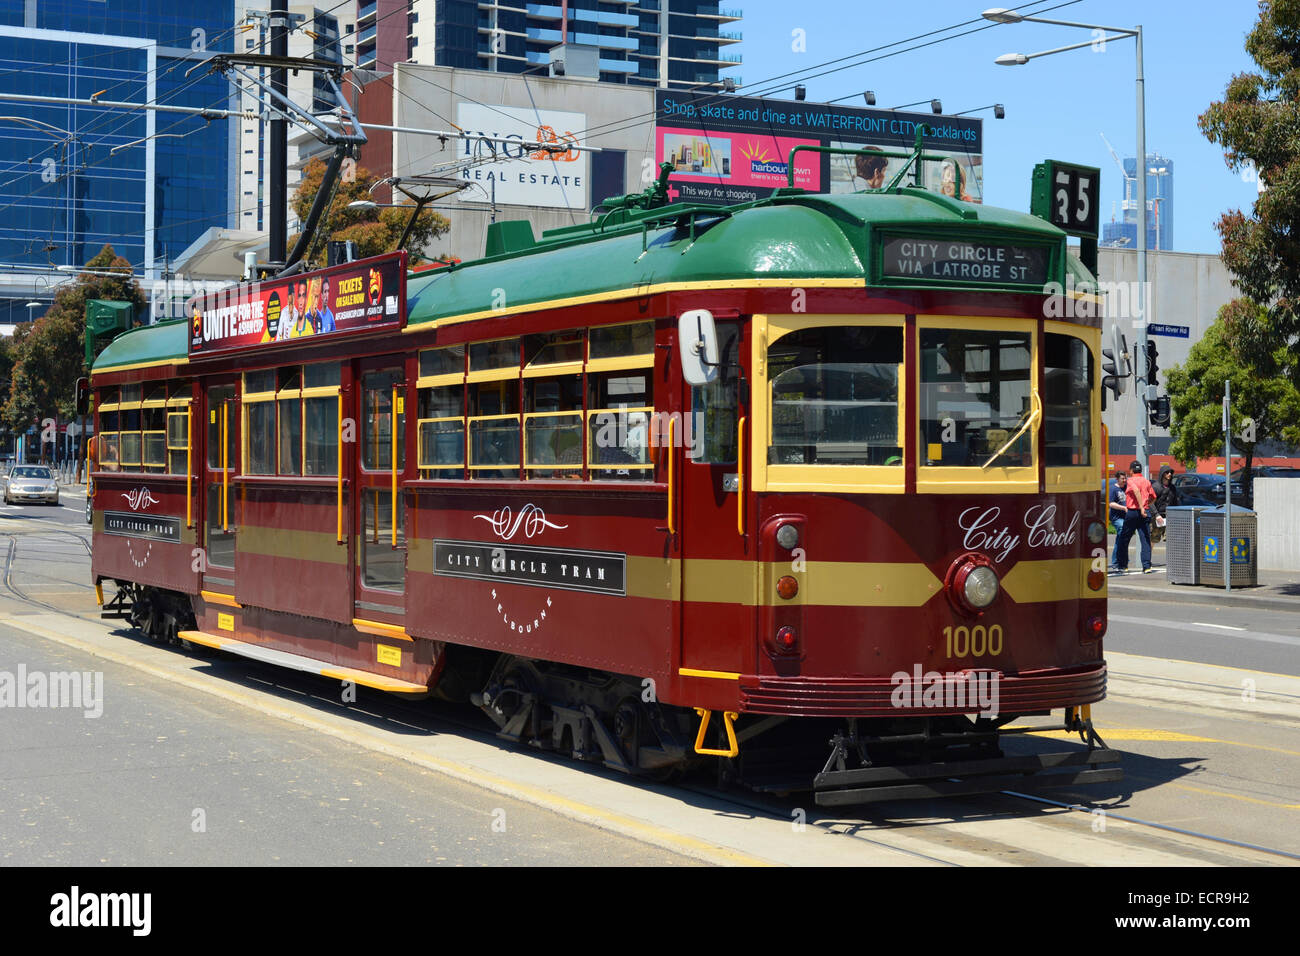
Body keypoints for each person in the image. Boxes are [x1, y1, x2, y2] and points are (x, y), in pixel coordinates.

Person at [1114, 459, 1157, 574]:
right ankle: (1147, 566)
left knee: (1124, 538)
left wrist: (1141, 506)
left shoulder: (1130, 480)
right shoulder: (1147, 481)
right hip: (1145, 513)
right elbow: (1153, 496)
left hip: (1133, 512)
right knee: (1145, 539)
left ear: (1131, 470)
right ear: (1141, 470)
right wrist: (1146, 505)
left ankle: (1123, 565)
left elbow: (1136, 491)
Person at [1151, 465, 1179, 542]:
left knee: (1170, 541)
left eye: (1171, 472)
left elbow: (1175, 503)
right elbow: (1150, 503)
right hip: (1157, 517)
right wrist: (1156, 515)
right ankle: (1148, 554)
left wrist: (1176, 515)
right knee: (1153, 541)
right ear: (1162, 473)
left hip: (1169, 518)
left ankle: (1170, 554)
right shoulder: (1155, 487)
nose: (1169, 474)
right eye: (1167, 472)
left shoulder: (1172, 488)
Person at [1107, 470, 1128, 570]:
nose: (1124, 480)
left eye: (1125, 478)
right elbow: (1111, 503)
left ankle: (1122, 559)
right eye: (1122, 479)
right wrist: (1123, 508)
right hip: (1117, 518)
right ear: (1117, 479)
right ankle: (1116, 562)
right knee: (1121, 535)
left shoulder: (1127, 487)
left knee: (1121, 538)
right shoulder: (1113, 489)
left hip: (1126, 517)